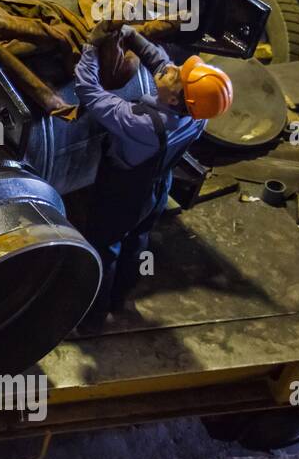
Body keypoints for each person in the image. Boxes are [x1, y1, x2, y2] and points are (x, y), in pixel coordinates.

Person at [74, 20, 233, 329]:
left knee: (104, 249)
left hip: (122, 196)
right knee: (136, 240)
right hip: (157, 190)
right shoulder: (197, 113)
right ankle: (120, 299)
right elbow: (163, 66)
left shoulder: (142, 124)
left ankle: (92, 318)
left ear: (174, 99)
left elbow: (88, 91)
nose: (171, 68)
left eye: (177, 74)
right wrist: (134, 37)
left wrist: (91, 48)